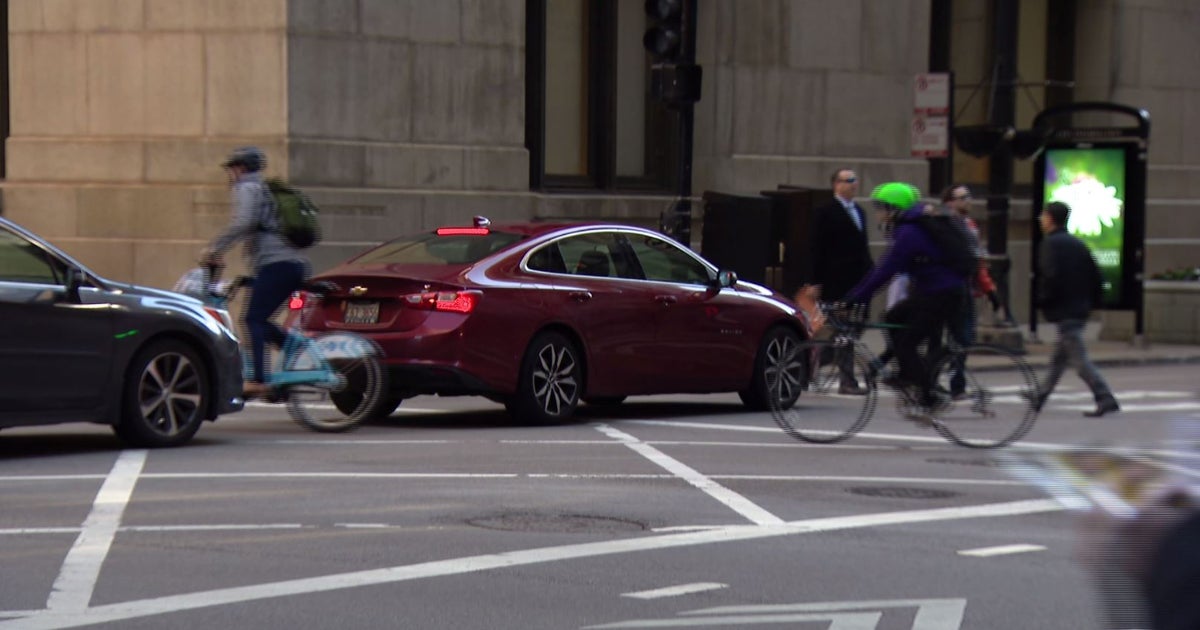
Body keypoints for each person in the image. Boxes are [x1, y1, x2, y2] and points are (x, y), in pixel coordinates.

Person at [844, 182, 968, 411]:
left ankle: (930, 397)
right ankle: (907, 373)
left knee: (908, 344)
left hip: (943, 294)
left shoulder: (909, 232)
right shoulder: (912, 226)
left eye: (880, 208)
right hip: (932, 291)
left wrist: (855, 297)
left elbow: (886, 270)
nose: (878, 214)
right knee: (893, 315)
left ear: (893, 208)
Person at [200, 147, 309, 399]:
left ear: (241, 168)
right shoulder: (264, 188)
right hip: (286, 264)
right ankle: (294, 351)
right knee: (258, 319)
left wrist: (214, 248)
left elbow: (244, 223)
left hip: (278, 264)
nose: (231, 173)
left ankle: (259, 379)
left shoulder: (247, 188)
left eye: (232, 168)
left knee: (253, 320)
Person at [1026, 201, 1120, 417]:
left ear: (1050, 218)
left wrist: (1043, 300)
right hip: (1079, 308)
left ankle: (1105, 397)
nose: (1040, 219)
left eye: (1043, 215)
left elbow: (1050, 276)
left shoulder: (1050, 244)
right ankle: (1040, 395)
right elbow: (1097, 276)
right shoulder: (1078, 244)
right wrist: (1093, 303)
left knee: (1079, 361)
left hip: (1065, 310)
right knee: (1059, 359)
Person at [807, 168, 873, 394]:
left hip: (857, 282)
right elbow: (816, 248)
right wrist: (814, 281)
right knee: (843, 331)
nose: (854, 184)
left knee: (851, 328)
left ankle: (818, 360)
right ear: (836, 184)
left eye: (855, 180)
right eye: (848, 180)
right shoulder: (825, 211)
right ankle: (847, 381)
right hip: (835, 281)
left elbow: (862, 247)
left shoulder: (860, 212)